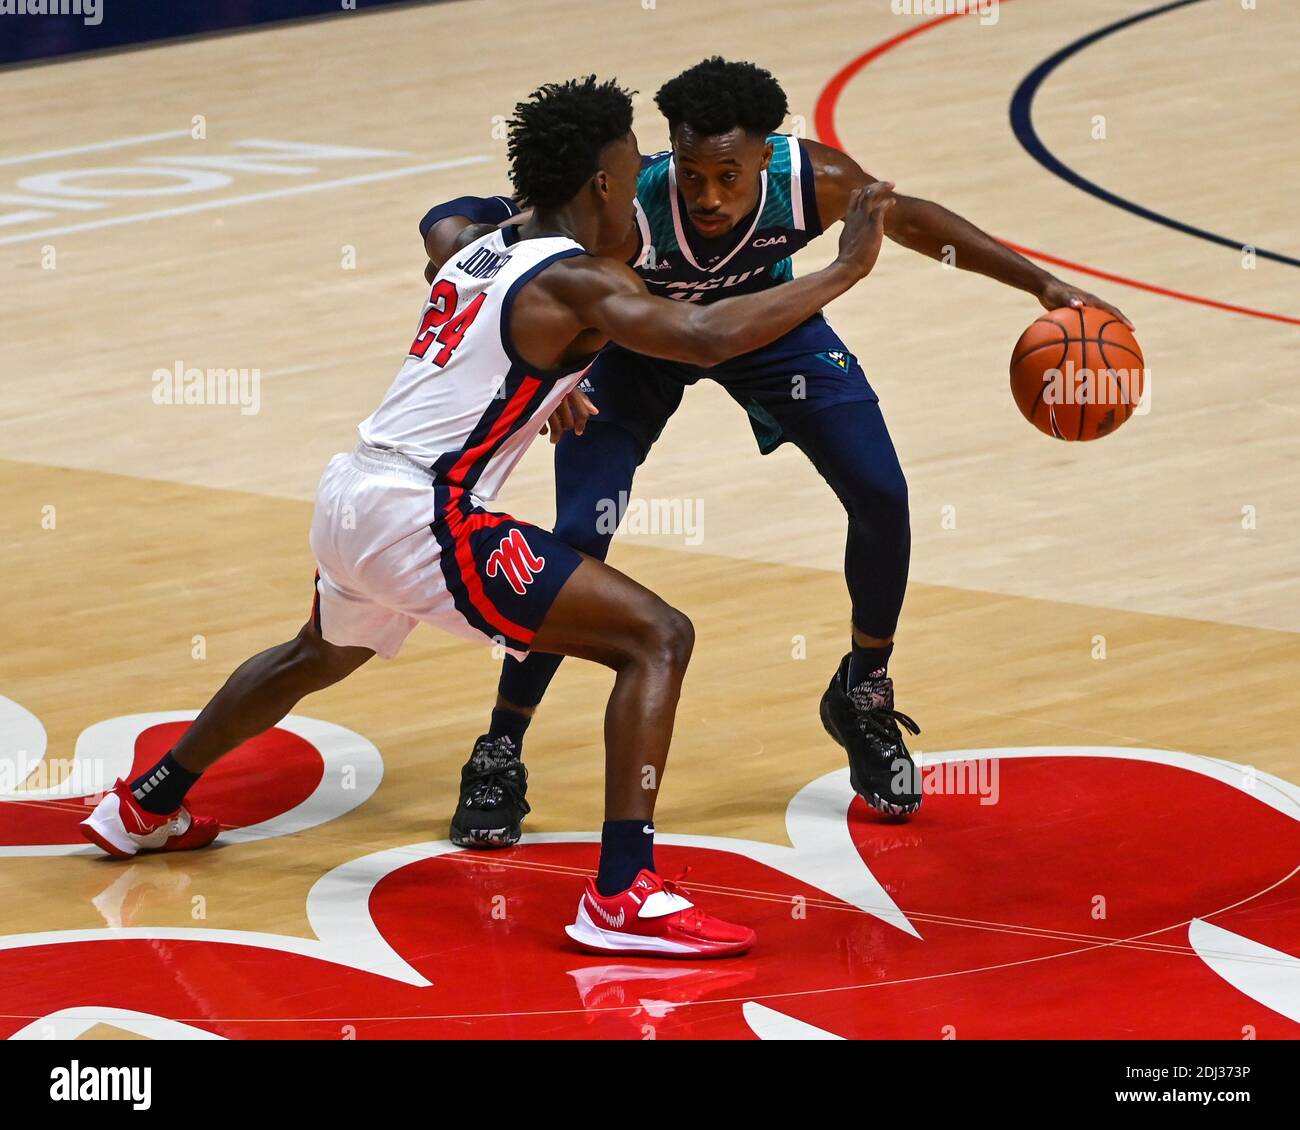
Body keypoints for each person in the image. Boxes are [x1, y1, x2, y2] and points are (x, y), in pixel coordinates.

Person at [79, 76, 896, 959]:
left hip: (351, 492)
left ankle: (147, 802)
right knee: (657, 637)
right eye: (632, 164)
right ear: (604, 185)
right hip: (421, 514)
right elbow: (701, 339)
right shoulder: (580, 279)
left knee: (315, 653)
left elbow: (475, 301)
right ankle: (623, 892)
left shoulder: (484, 246)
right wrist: (843, 268)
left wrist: (552, 391)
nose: (645, 180)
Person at [428, 58, 1131, 846]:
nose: (708, 196)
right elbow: (471, 229)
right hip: (638, 346)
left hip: (769, 329)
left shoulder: (815, 180)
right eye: (692, 174)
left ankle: (863, 690)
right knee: (581, 533)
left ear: (767, 155)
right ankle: (501, 742)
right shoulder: (628, 211)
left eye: (729, 175)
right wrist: (556, 377)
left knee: (881, 492)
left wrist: (1042, 287)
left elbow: (913, 221)